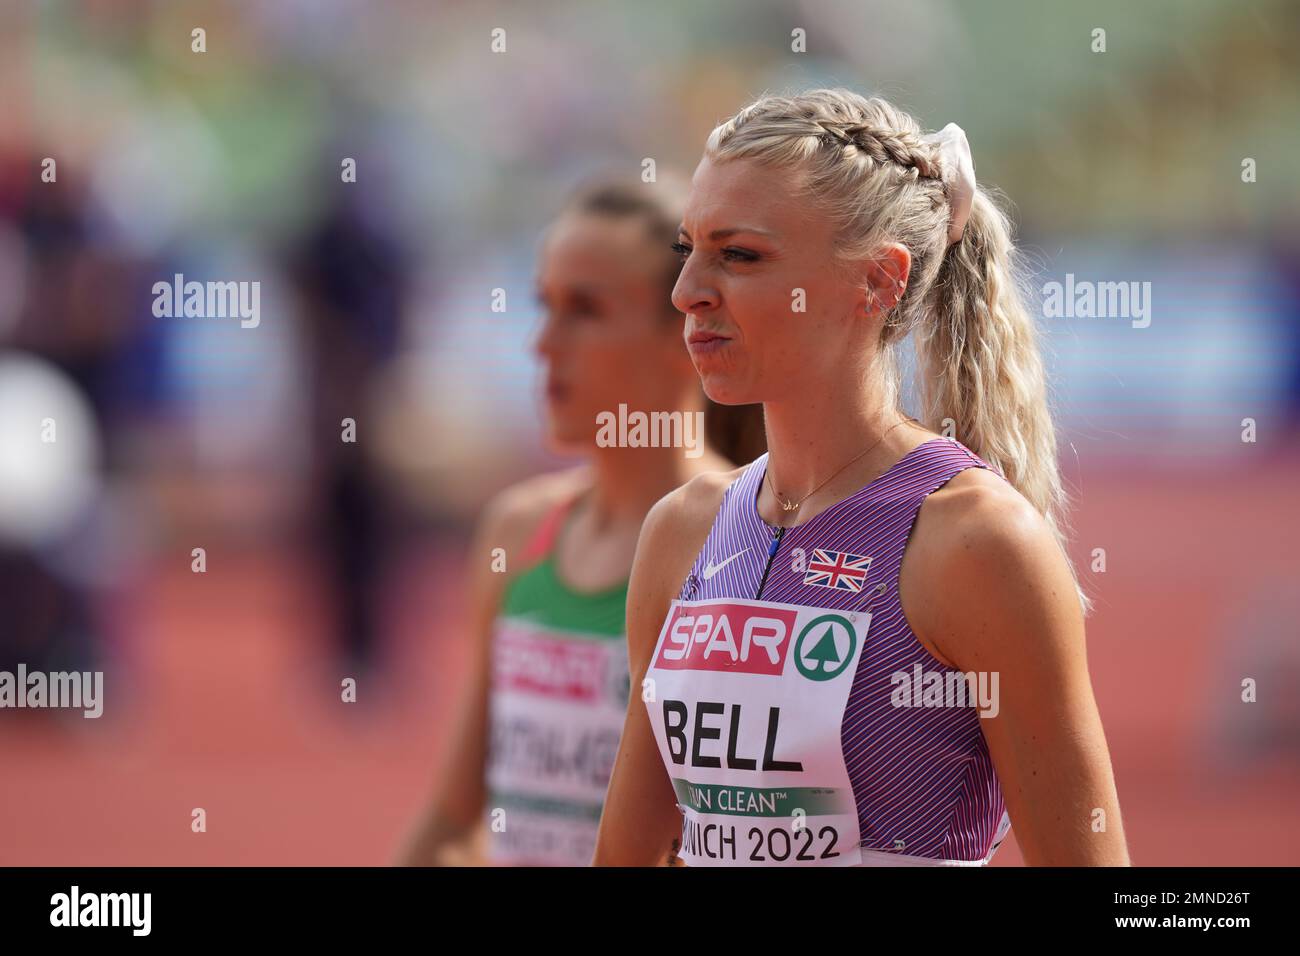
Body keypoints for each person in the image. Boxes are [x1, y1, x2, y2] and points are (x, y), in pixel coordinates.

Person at [593, 88, 1130, 867]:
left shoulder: (978, 543)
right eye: (688, 250)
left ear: (876, 282)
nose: (688, 293)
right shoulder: (682, 531)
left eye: (738, 255)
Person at [398, 176, 765, 866]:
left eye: (585, 310)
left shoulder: (752, 540)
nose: (543, 345)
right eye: (545, 306)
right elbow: (454, 816)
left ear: (686, 328)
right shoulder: (519, 532)